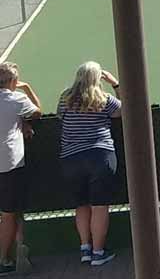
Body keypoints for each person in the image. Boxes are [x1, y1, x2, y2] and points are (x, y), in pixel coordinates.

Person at [58, 63, 120, 267]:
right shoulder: (105, 99)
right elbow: (125, 110)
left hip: (71, 159)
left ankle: (85, 248)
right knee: (99, 206)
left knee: (81, 204)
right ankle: (98, 252)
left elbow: (60, 116)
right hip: (100, 156)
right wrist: (115, 84)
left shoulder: (65, 98)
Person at [0, 64, 37, 272]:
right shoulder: (17, 99)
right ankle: (4, 260)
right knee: (9, 213)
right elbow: (37, 112)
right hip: (8, 165)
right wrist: (27, 88)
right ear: (14, 82)